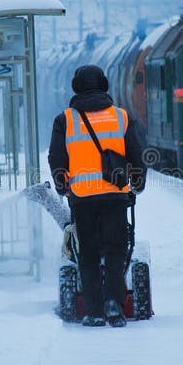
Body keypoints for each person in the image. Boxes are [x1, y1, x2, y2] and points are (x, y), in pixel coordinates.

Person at [48, 64, 147, 327]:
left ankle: (93, 311)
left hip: (82, 198)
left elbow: (57, 158)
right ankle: (114, 304)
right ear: (104, 84)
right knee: (116, 250)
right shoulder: (121, 117)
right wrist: (137, 182)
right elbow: (136, 154)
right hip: (115, 196)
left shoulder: (65, 120)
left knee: (88, 252)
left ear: (76, 87)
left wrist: (63, 185)